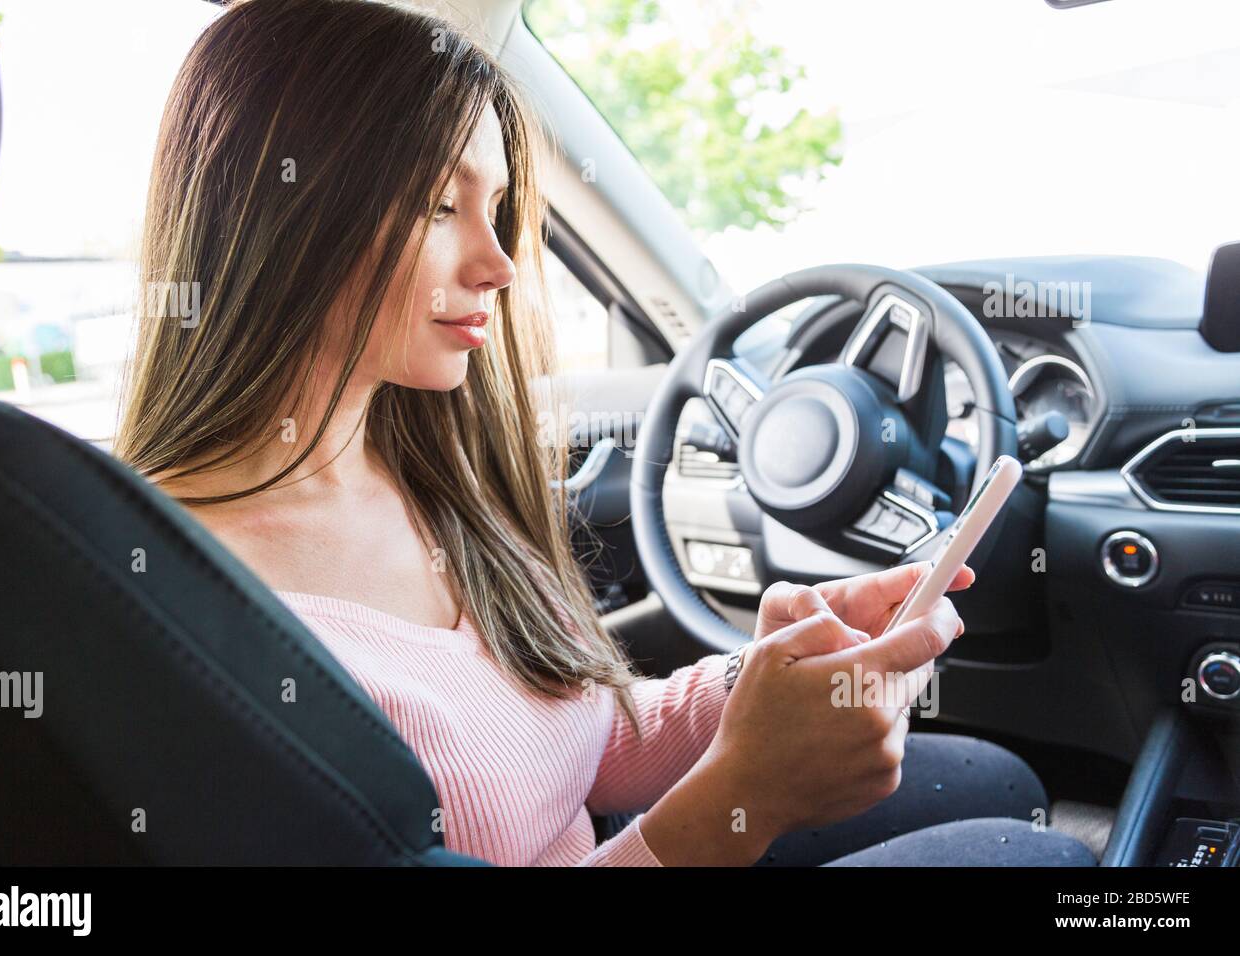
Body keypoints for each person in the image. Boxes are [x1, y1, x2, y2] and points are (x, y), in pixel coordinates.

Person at [116, 0, 1094, 867]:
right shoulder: (194, 624)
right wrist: (741, 799)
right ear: (281, 213)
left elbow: (587, 738)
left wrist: (758, 686)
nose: (499, 264)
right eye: (440, 205)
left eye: (498, 208)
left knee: (999, 782)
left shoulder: (418, 467)